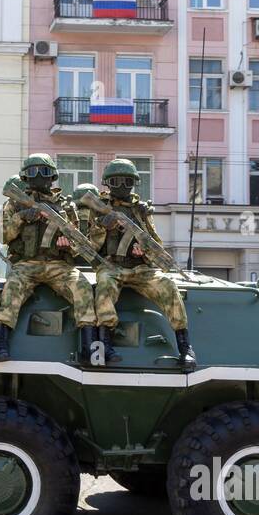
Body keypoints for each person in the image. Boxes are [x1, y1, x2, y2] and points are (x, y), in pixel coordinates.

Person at [87, 159, 195, 371]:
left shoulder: (140, 210)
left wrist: (144, 251)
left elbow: (155, 243)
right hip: (112, 267)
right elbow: (91, 246)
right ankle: (104, 344)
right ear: (108, 183)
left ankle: (185, 346)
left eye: (127, 180)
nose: (122, 185)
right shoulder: (99, 208)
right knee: (104, 285)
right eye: (116, 180)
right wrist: (102, 226)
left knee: (167, 285)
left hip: (141, 269)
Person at [0, 153, 98, 364]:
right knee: (10, 291)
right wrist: (21, 217)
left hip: (58, 265)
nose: (39, 176)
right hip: (26, 265)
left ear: (53, 177)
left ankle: (89, 346)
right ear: (25, 177)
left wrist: (69, 245)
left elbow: (81, 244)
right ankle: (1, 344)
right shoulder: (15, 204)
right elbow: (2, 235)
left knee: (82, 287)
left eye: (45, 172)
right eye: (33, 172)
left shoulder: (67, 207)